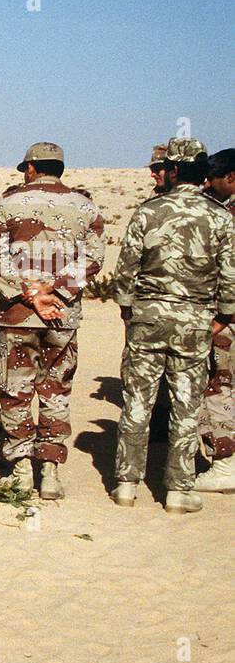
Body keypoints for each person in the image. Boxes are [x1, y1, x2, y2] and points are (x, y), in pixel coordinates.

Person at [111, 138, 235, 512]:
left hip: (149, 318)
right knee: (187, 404)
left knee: (137, 402)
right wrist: (221, 318)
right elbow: (230, 280)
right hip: (195, 323)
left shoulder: (149, 211)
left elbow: (125, 274)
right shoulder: (219, 217)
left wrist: (130, 314)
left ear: (174, 170)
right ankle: (178, 490)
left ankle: (126, 485)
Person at [0, 142, 105, 499]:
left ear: (32, 168)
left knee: (14, 389)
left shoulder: (9, 202)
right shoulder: (84, 206)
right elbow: (95, 256)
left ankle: (22, 471)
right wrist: (59, 291)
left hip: (19, 316)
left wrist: (31, 293)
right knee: (56, 391)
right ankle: (49, 473)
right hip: (61, 318)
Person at [193, 147, 235, 492]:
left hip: (228, 320)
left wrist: (222, 317)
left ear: (231, 178)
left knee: (218, 388)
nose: (207, 185)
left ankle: (225, 464)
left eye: (213, 179)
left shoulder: (225, 217)